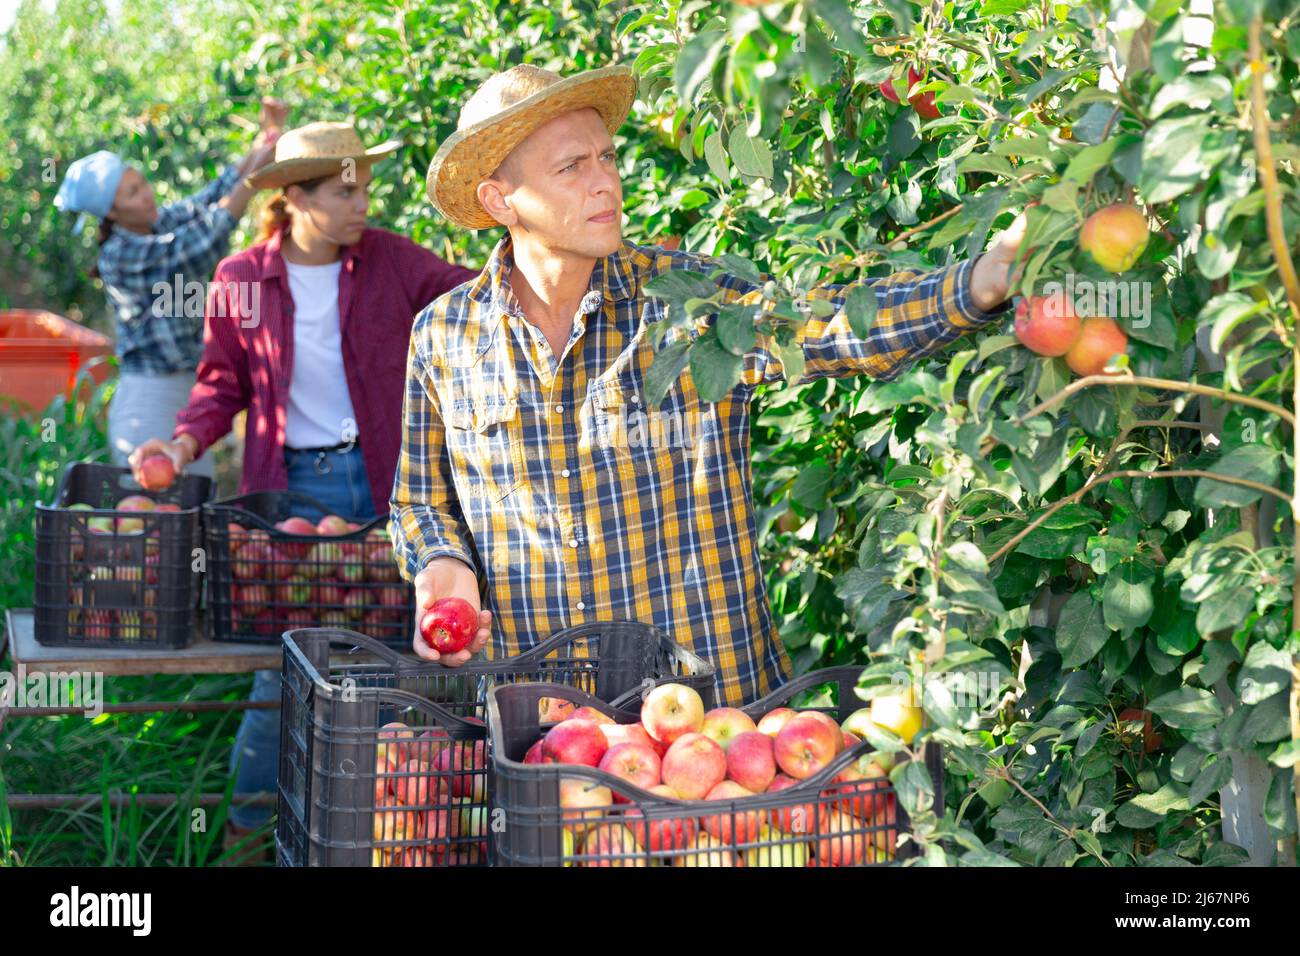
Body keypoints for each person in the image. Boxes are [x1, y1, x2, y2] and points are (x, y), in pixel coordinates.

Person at [391, 64, 1027, 708]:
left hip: (714, 713)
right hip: (542, 719)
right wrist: (445, 567)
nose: (604, 181)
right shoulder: (445, 336)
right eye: (571, 168)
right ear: (501, 200)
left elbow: (825, 325)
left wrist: (979, 284)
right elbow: (419, 502)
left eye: (606, 158)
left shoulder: (688, 300)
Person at [128, 120, 477, 858]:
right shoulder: (242, 281)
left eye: (365, 188)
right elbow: (220, 383)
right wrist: (184, 442)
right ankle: (248, 831)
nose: (362, 205)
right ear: (294, 197)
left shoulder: (390, 262)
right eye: (345, 192)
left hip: (388, 485)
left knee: (393, 657)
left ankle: (386, 828)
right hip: (295, 491)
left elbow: (470, 295)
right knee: (283, 668)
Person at [54, 98, 289, 478]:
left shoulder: (157, 222)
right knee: (160, 517)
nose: (146, 194)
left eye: (141, 183)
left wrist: (266, 141)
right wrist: (255, 175)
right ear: (111, 214)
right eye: (131, 193)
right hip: (149, 400)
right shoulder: (121, 253)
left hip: (188, 392)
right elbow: (203, 241)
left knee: (197, 502)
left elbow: (214, 195)